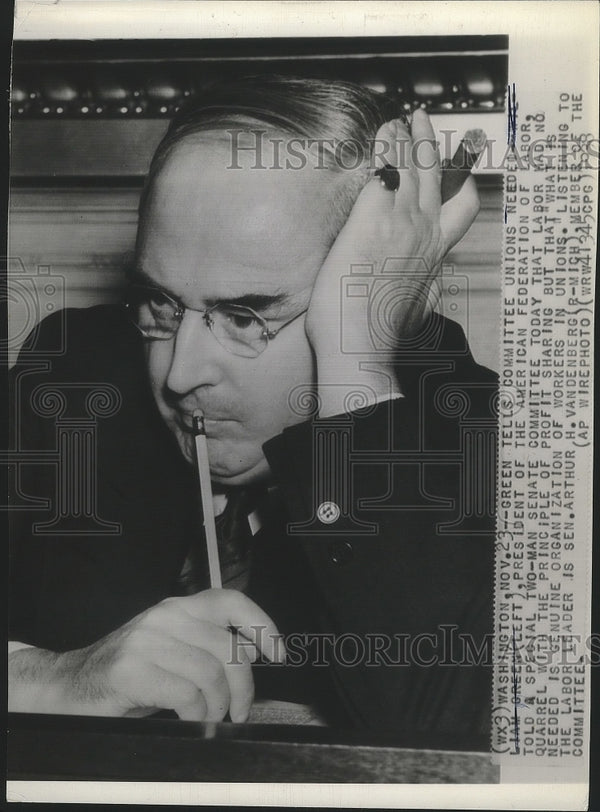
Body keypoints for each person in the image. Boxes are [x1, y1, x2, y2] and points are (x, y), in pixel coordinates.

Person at [8, 75, 496, 749]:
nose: (179, 374)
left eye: (244, 316)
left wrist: (355, 361)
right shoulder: (75, 382)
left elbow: (465, 743)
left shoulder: (471, 431)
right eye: (161, 304)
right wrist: (52, 682)